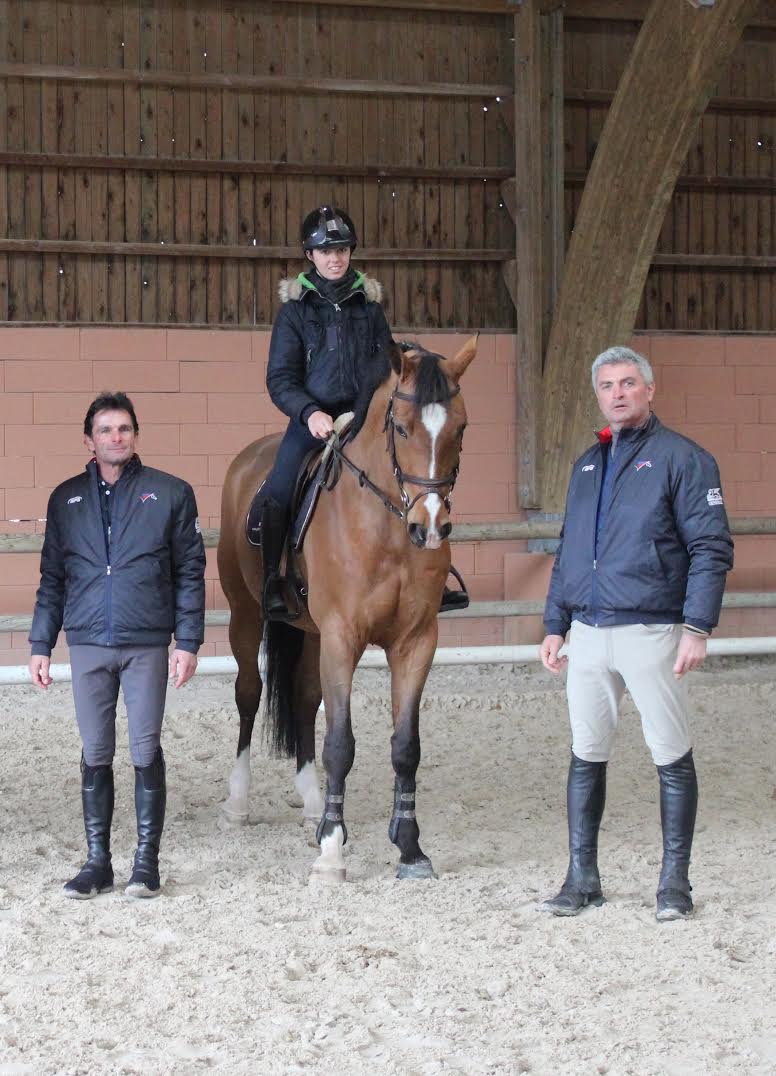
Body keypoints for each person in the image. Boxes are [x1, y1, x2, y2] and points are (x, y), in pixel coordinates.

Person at [539, 346, 733, 922]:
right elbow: (569, 552)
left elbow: (710, 546)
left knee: (669, 752)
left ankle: (674, 884)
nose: (618, 393)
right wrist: (555, 624)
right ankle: (582, 878)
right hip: (589, 633)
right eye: (607, 385)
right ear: (598, 394)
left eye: (628, 383)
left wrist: (697, 626)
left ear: (649, 390)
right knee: (586, 751)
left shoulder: (684, 460)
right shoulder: (585, 466)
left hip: (652, 628)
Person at [28, 392, 206, 900]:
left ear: (135, 435)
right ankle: (97, 861)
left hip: (146, 641)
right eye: (105, 430)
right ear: (89, 440)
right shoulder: (65, 499)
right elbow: (52, 578)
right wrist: (42, 643)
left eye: (124, 429)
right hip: (87, 642)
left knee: (145, 748)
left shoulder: (170, 493)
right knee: (96, 751)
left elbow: (190, 571)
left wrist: (187, 640)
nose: (116, 438)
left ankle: (145, 862)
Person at [257, 204, 468, 620]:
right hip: (313, 420)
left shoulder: (369, 307)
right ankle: (274, 581)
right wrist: (309, 413)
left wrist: (369, 407)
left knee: (415, 476)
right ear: (310, 256)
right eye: (325, 251)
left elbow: (384, 365)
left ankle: (433, 575)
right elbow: (280, 378)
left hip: (363, 415)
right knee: (278, 488)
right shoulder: (294, 311)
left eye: (341, 249)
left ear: (351, 253)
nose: (334, 258)